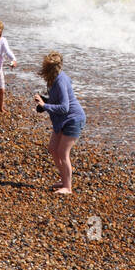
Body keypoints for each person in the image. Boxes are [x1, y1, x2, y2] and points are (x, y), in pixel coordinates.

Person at [34, 51, 86, 195]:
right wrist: (44, 102)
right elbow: (56, 101)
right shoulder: (53, 80)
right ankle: (64, 180)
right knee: (52, 149)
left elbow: (65, 107)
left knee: (63, 153)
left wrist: (45, 106)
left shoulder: (61, 81)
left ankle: (67, 187)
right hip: (62, 120)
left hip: (73, 119)